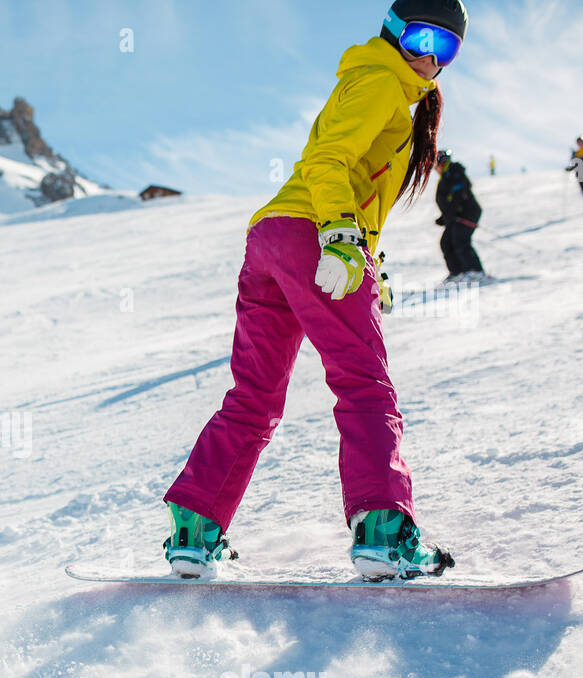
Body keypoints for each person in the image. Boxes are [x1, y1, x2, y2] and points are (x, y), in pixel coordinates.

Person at [162, 0, 463, 581]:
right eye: (423, 38)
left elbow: (348, 177)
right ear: (395, 32)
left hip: (272, 238)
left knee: (254, 397)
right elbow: (328, 160)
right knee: (363, 381)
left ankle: (194, 531)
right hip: (314, 236)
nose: (430, 56)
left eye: (445, 47)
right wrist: (343, 238)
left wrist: (367, 258)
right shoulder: (379, 81)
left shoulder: (369, 81)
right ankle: (383, 532)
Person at [434, 148, 484, 280]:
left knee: (459, 240)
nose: (435, 169)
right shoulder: (446, 175)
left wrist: (453, 213)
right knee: (446, 242)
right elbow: (448, 200)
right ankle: (457, 273)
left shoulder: (454, 172)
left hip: (467, 213)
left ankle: (475, 271)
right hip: (457, 215)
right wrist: (444, 218)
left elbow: (459, 193)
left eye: (436, 165)